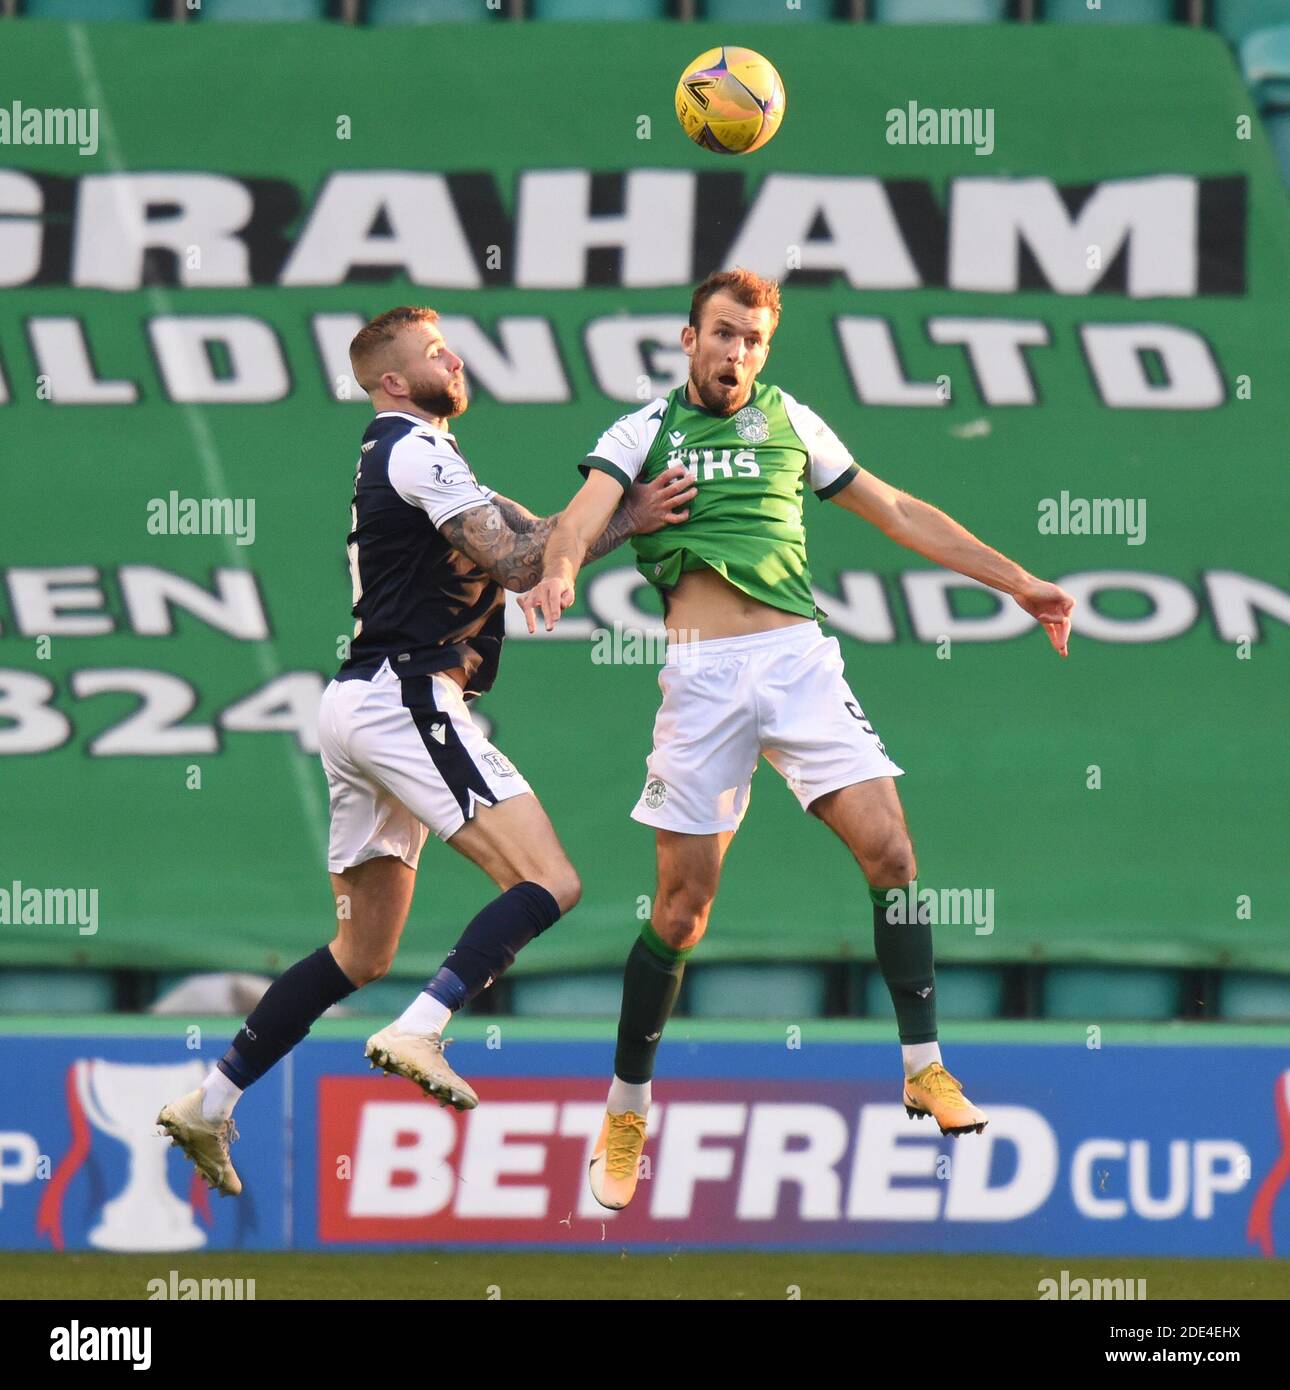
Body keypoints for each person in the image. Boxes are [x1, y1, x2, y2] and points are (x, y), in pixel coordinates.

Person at [520, 269, 1075, 1211]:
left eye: (754, 340)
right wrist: (560, 570)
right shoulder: (641, 429)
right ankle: (625, 1108)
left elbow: (896, 509)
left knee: (892, 852)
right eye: (725, 334)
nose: (738, 353)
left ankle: (924, 1065)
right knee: (682, 912)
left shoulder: (792, 421)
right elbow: (575, 521)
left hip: (798, 662)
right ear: (688, 337)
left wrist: (1020, 583)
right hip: (701, 681)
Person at [158, 305, 694, 1195]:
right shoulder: (415, 448)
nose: (454, 357)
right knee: (550, 882)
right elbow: (524, 565)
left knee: (358, 955)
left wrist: (619, 516)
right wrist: (620, 519)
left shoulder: (419, 457)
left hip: (359, 702)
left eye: (450, 342)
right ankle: (422, 1025)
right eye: (433, 351)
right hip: (408, 694)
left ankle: (209, 1102)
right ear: (393, 381)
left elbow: (538, 540)